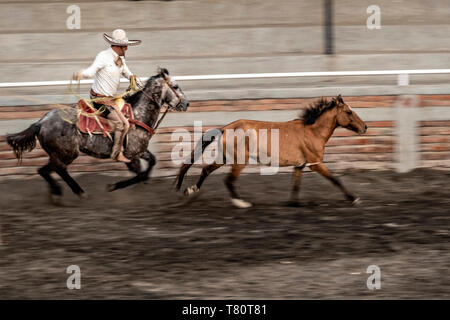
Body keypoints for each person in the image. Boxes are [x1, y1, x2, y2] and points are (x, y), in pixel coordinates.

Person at [73, 29, 141, 163]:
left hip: (110, 99)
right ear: (117, 46)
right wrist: (81, 74)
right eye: (125, 46)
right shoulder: (103, 56)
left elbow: (126, 72)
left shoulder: (120, 58)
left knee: (126, 122)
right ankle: (116, 153)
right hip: (99, 100)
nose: (127, 48)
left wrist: (133, 78)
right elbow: (91, 71)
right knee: (123, 124)